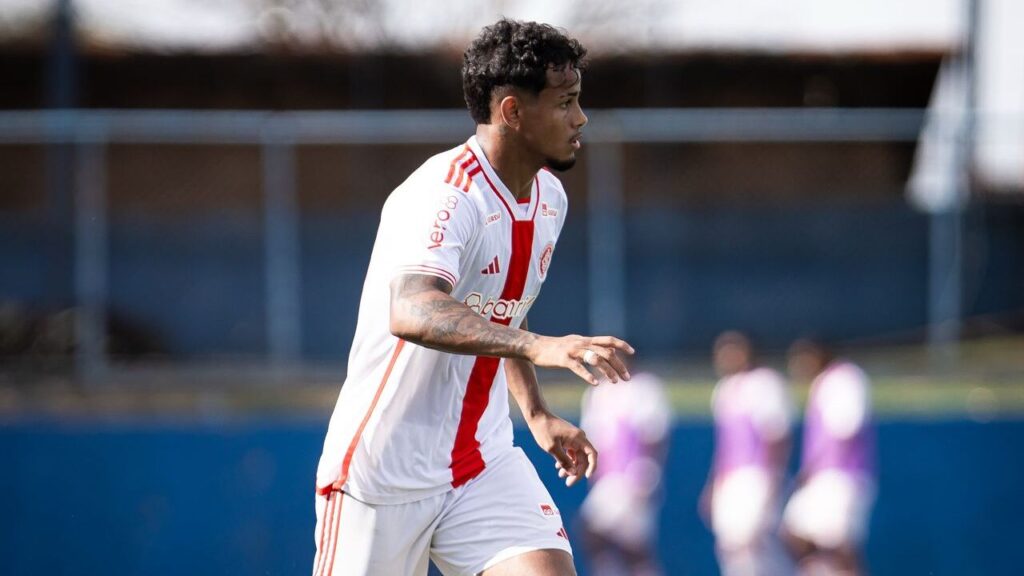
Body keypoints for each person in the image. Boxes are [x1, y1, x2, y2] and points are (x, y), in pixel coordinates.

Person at [311, 19, 634, 576]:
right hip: (382, 474)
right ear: (512, 112)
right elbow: (411, 308)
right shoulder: (445, 193)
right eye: (566, 102)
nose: (581, 118)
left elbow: (506, 306)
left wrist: (535, 412)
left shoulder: (550, 198)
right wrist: (539, 347)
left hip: (481, 462)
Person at [700, 331, 795, 576]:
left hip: (757, 475)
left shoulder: (766, 384)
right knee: (730, 546)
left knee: (753, 541)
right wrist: (713, 485)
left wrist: (772, 480)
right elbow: (724, 446)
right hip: (730, 478)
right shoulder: (724, 389)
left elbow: (776, 438)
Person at [781, 339, 876, 576]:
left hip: (842, 476)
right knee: (795, 533)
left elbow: (845, 430)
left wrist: (816, 466)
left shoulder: (844, 379)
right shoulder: (823, 383)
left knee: (839, 543)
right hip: (821, 478)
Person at [577, 362, 671, 576]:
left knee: (600, 533)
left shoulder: (644, 387)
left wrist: (646, 474)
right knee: (628, 545)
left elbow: (654, 438)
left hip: (634, 478)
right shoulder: (596, 394)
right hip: (607, 480)